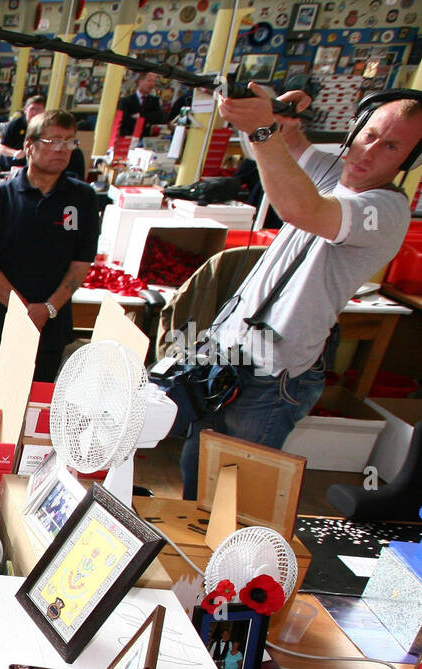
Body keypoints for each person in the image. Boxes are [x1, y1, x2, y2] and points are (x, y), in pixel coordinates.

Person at [180, 87, 422, 499]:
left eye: (392, 145)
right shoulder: (332, 172)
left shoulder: (385, 209)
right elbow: (284, 145)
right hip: (232, 351)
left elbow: (303, 209)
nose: (370, 150)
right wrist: (276, 114)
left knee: (230, 493)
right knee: (195, 466)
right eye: (370, 133)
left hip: (274, 373)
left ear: (410, 160)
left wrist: (262, 128)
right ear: (356, 128)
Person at [0, 109, 98, 382]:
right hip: (0, 326)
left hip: (51, 329)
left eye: (70, 141)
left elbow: (81, 262)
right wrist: (22, 310)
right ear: (29, 146)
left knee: (36, 411)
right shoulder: (0, 198)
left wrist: (48, 309)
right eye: (53, 141)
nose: (63, 149)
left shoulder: (83, 198)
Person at [0, 95, 44, 164]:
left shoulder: (45, 127)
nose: (35, 113)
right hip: (11, 166)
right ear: (25, 109)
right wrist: (15, 153)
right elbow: (1, 148)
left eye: (39, 110)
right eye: (32, 109)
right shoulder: (15, 125)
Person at [118, 72, 167, 137]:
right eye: (149, 80)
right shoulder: (126, 101)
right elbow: (125, 121)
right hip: (129, 138)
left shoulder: (155, 101)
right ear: (140, 81)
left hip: (146, 138)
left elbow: (160, 118)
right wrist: (148, 119)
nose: (152, 84)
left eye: (154, 81)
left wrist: (140, 117)